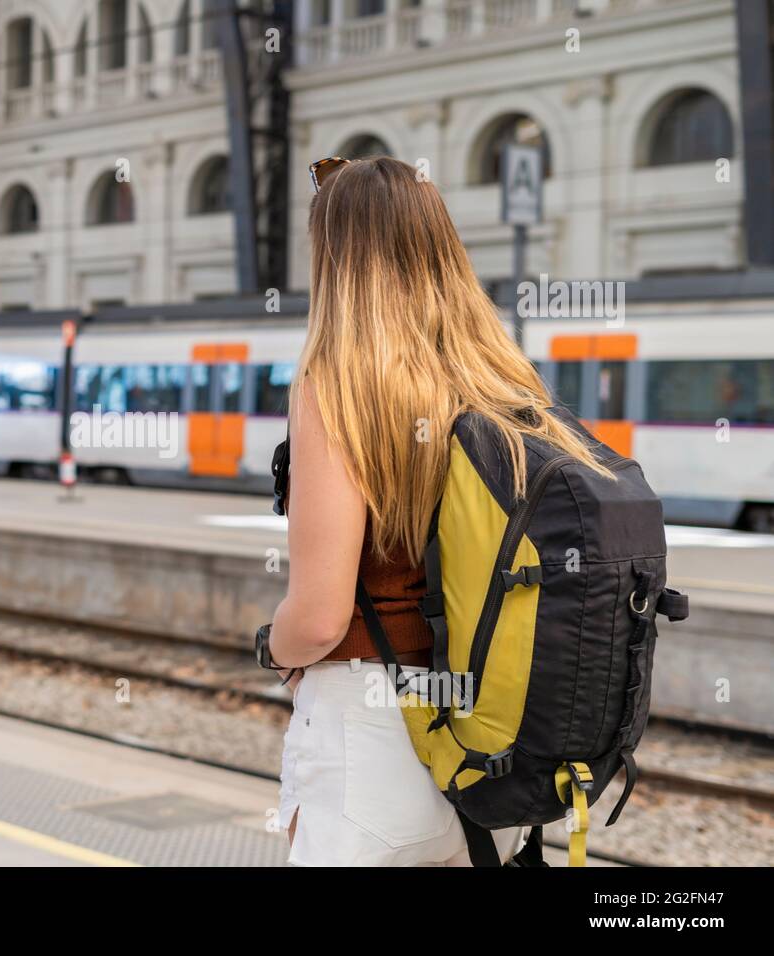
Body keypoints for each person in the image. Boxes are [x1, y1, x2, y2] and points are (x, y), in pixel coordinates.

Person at [264, 156, 612, 866]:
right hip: (485, 750)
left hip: (372, 748)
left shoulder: (338, 384)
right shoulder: (501, 376)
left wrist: (273, 646)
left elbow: (321, 617)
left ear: (333, 258)